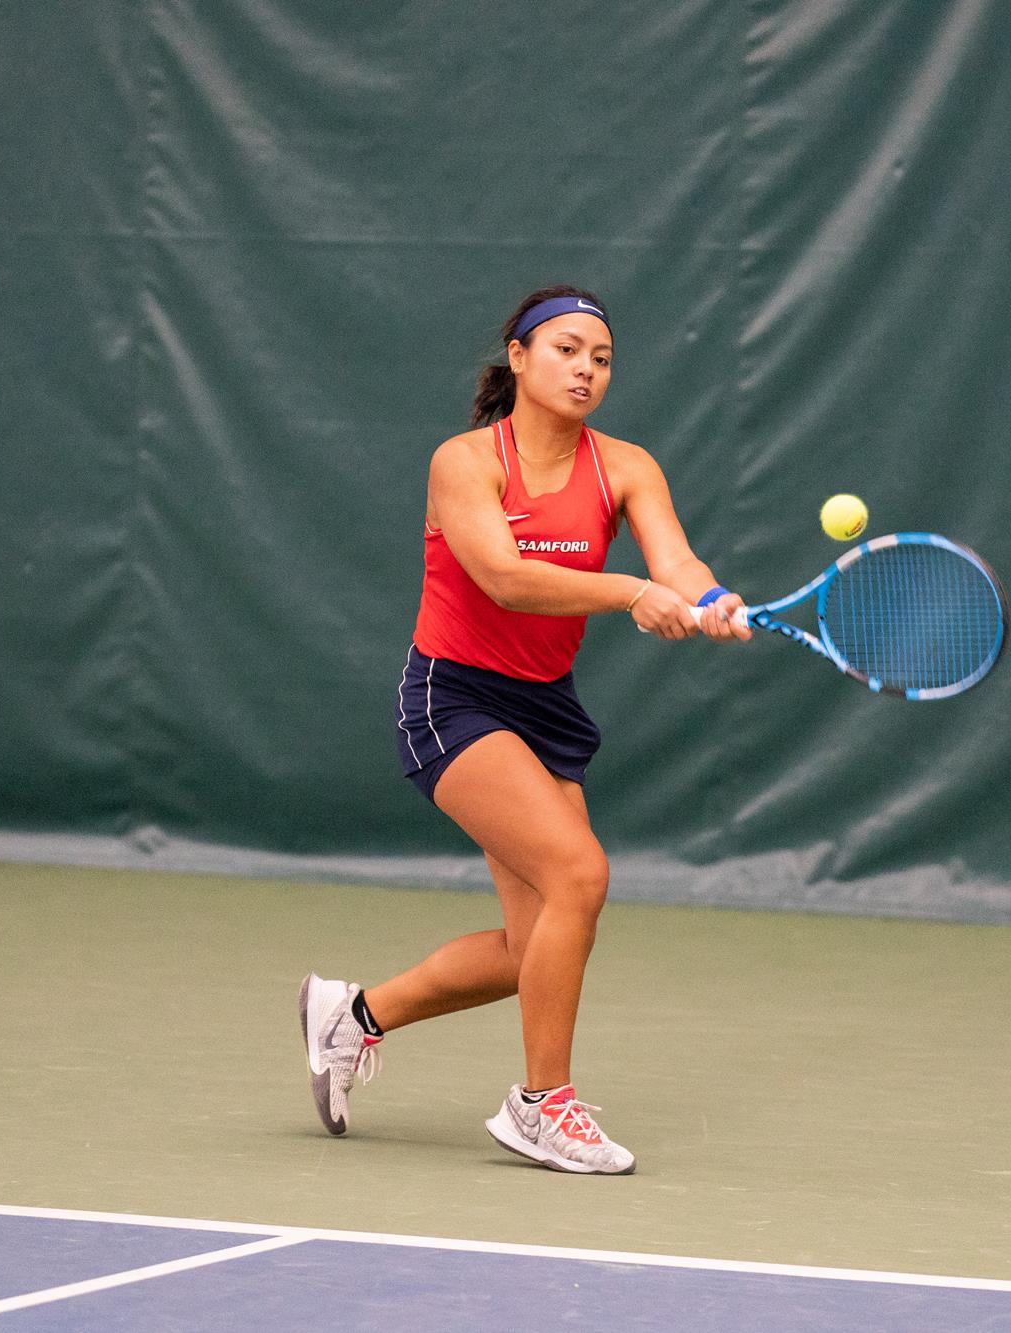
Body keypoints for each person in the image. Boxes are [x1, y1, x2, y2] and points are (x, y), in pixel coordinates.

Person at [300, 285, 749, 1175]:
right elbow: (503, 578)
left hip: (545, 709)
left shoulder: (626, 467)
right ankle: (542, 1104)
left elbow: (676, 559)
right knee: (580, 872)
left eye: (603, 358)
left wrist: (706, 598)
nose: (586, 368)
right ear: (518, 356)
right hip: (454, 698)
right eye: (567, 349)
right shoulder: (465, 462)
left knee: (530, 946)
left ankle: (348, 1017)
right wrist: (630, 594)